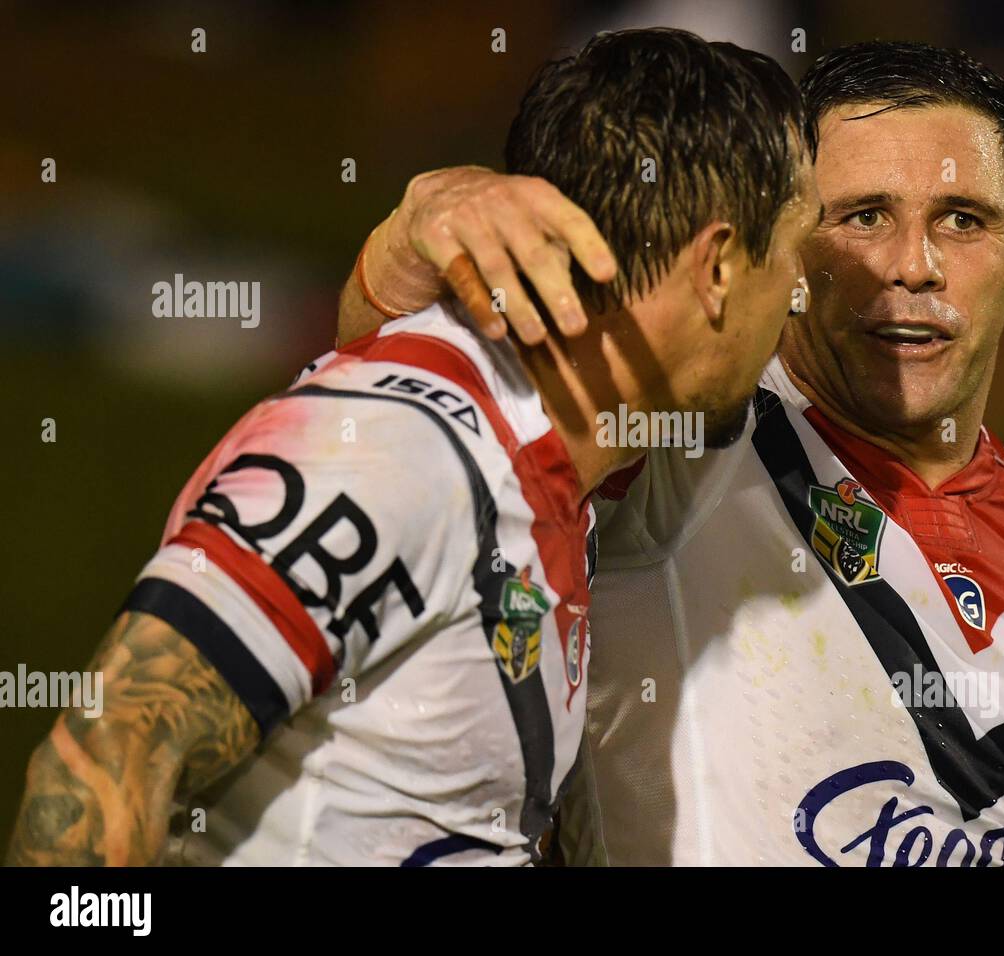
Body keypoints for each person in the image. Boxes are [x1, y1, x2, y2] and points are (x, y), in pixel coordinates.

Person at [6, 28, 821, 867]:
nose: (798, 299)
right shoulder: (402, 449)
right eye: (795, 254)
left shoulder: (566, 453)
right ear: (719, 265)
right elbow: (98, 766)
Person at [335, 40, 1004, 867]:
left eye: (962, 220)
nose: (911, 267)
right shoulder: (695, 437)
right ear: (790, 240)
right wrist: (417, 231)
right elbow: (409, 407)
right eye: (863, 217)